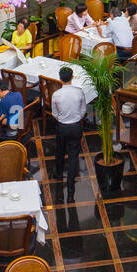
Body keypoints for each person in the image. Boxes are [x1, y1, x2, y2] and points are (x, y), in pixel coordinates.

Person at [51, 65, 88, 200]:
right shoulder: (79, 92)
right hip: (76, 126)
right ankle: (71, 185)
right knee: (73, 156)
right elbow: (83, 110)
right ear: (72, 78)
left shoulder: (56, 94)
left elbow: (54, 113)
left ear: (60, 79)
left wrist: (62, 119)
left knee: (60, 151)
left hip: (62, 127)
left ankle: (59, 173)